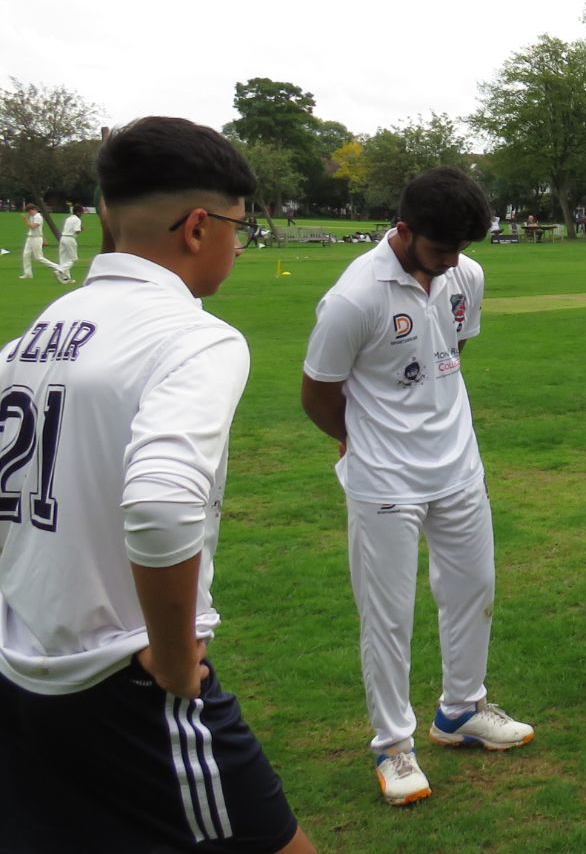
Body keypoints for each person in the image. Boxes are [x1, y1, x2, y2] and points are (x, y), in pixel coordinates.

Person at [0, 116, 315, 853]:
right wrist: (174, 657)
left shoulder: (33, 335)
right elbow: (162, 502)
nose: (239, 243)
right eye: (239, 226)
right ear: (200, 227)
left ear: (106, 213)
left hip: (23, 672)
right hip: (123, 677)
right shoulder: (194, 336)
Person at [300, 166, 534, 807]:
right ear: (402, 229)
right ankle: (393, 746)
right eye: (439, 250)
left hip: (458, 466)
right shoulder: (353, 298)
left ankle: (460, 710)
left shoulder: (466, 274)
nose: (451, 264)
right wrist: (360, 440)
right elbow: (317, 394)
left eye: (461, 250)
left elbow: (448, 354)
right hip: (384, 478)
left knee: (473, 590)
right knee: (389, 615)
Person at [19, 202, 70, 282]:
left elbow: (33, 227)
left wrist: (25, 220)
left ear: (32, 210)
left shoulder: (38, 217)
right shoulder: (32, 217)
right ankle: (28, 273)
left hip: (36, 239)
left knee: (39, 257)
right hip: (30, 238)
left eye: (29, 211)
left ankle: (58, 267)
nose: (29, 213)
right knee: (26, 255)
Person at [56, 203, 83, 280]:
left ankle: (66, 278)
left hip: (63, 238)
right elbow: (77, 230)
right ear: (78, 212)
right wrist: (79, 231)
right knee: (73, 259)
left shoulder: (68, 219)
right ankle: (60, 269)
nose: (81, 215)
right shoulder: (77, 219)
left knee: (64, 259)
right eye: (81, 213)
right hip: (70, 239)